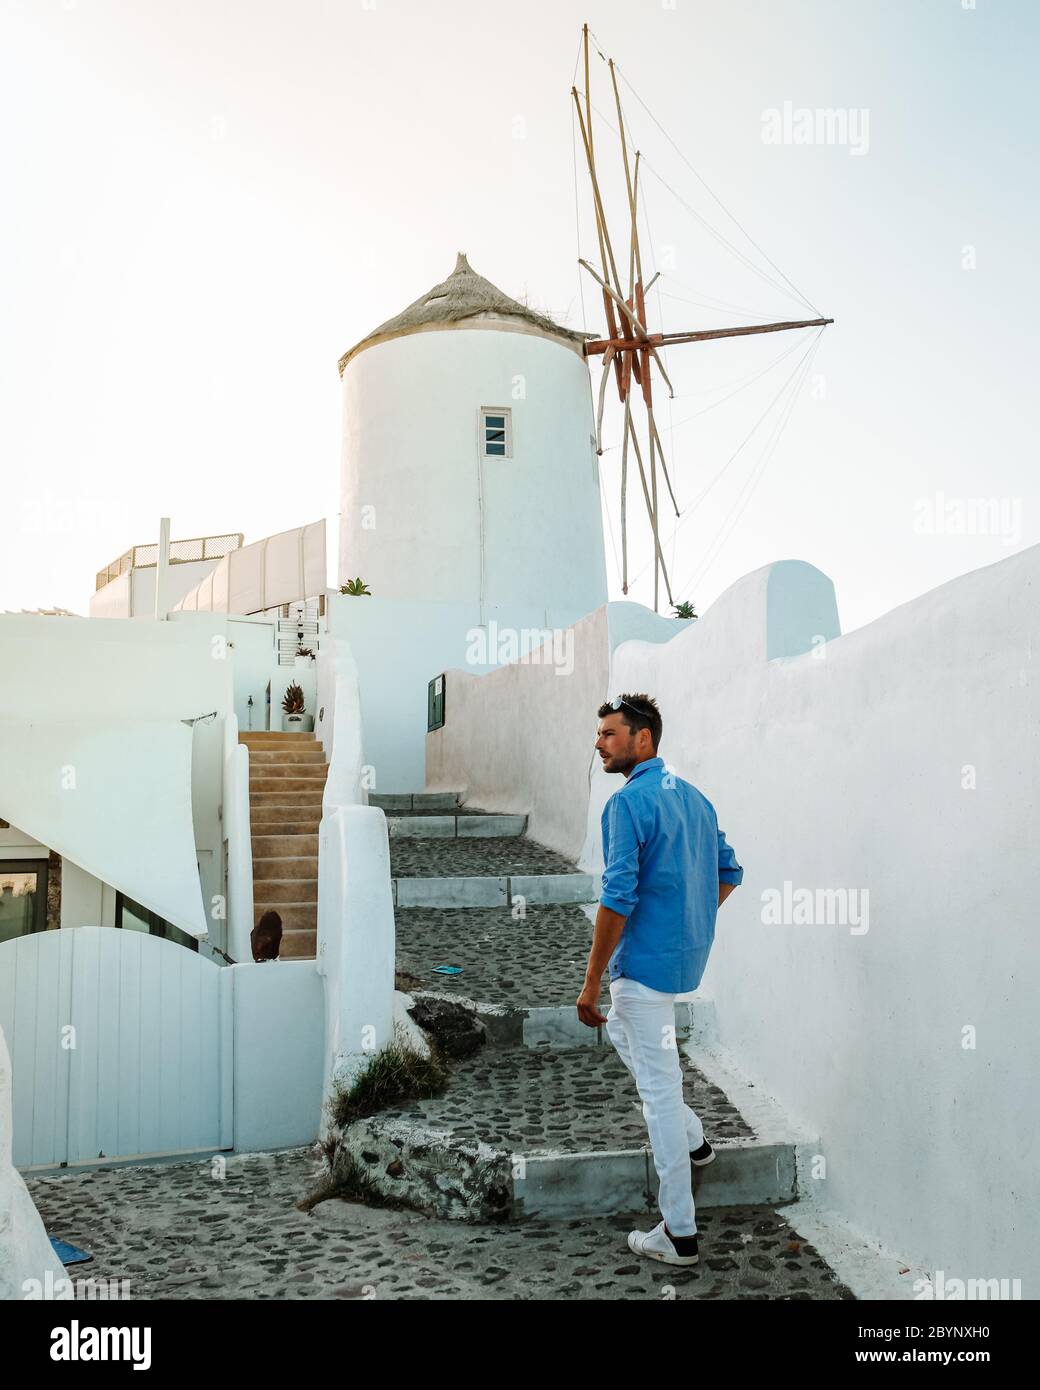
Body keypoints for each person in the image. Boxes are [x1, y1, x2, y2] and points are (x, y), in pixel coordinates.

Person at [577, 693, 743, 1266]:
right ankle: (695, 1141)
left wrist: (591, 980)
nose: (599, 743)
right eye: (599, 734)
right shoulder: (695, 799)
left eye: (609, 734)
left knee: (659, 1094)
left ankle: (679, 1232)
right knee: (627, 1038)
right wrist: (689, 919)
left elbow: (617, 895)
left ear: (642, 739)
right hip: (679, 962)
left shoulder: (628, 805)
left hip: (641, 968)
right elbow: (730, 873)